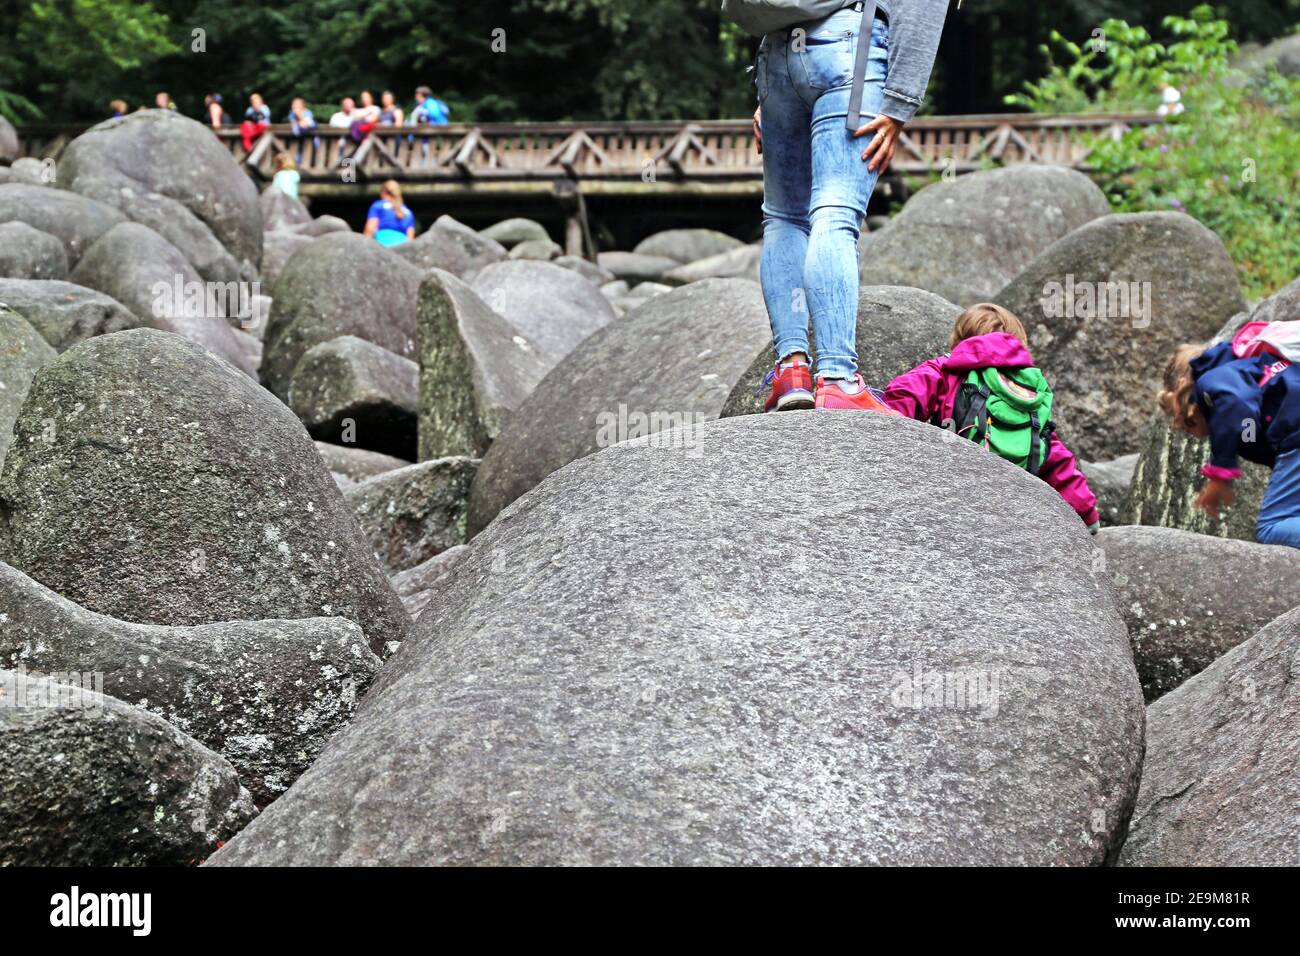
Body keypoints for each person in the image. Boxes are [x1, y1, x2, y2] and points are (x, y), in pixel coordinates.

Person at [737, 0, 948, 413]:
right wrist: (900, 102)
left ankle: (791, 370)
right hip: (850, 47)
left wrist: (769, 92)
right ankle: (837, 380)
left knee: (783, 218)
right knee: (834, 214)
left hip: (778, 53)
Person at [881, 303, 1099, 531]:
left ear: (960, 337)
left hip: (953, 488)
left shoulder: (947, 369)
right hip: (1009, 507)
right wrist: (1087, 515)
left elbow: (905, 396)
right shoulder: (1026, 390)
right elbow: (1055, 456)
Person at [1157, 320, 1300, 548]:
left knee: (1272, 526)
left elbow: (1238, 405)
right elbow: (1248, 419)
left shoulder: (1213, 381)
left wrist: (1221, 473)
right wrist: (1245, 439)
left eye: (1180, 420)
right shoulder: (1253, 371)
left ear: (1184, 391)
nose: (1184, 430)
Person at [364, 180, 416, 246]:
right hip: (401, 249)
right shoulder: (408, 213)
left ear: (384, 192)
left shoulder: (378, 206)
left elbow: (370, 229)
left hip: (382, 246)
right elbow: (410, 239)